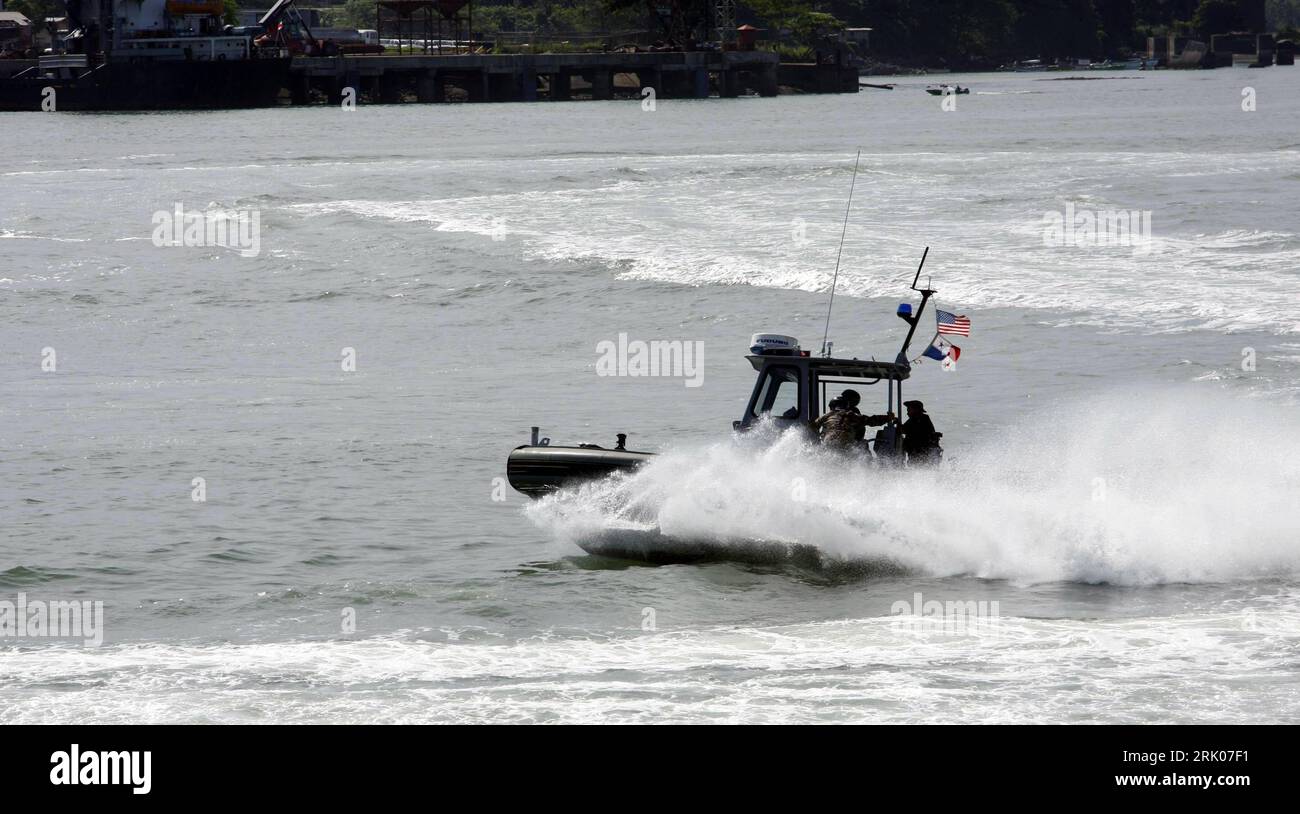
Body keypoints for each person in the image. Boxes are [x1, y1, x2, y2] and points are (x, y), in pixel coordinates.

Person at [900, 400, 942, 464]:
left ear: (916, 410)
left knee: (919, 467)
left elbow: (904, 430)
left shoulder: (921, 419)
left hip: (922, 453)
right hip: (920, 453)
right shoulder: (917, 419)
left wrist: (897, 423)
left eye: (909, 410)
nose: (907, 413)